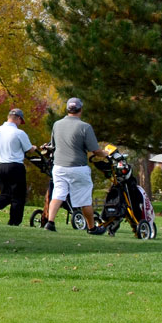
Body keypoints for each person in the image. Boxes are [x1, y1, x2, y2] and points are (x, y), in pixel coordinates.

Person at [44, 97, 108, 233]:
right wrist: (106, 154)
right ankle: (91, 228)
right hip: (78, 168)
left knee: (58, 194)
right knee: (84, 199)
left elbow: (53, 145)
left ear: (67, 109)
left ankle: (50, 222)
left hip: (59, 167)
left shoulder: (57, 124)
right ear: (80, 109)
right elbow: (95, 151)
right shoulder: (85, 127)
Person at [0, 107, 35, 225]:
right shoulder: (19, 133)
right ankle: (14, 222)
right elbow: (29, 149)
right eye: (21, 121)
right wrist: (35, 148)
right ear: (18, 119)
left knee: (6, 194)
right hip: (15, 166)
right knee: (18, 196)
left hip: (0, 166)